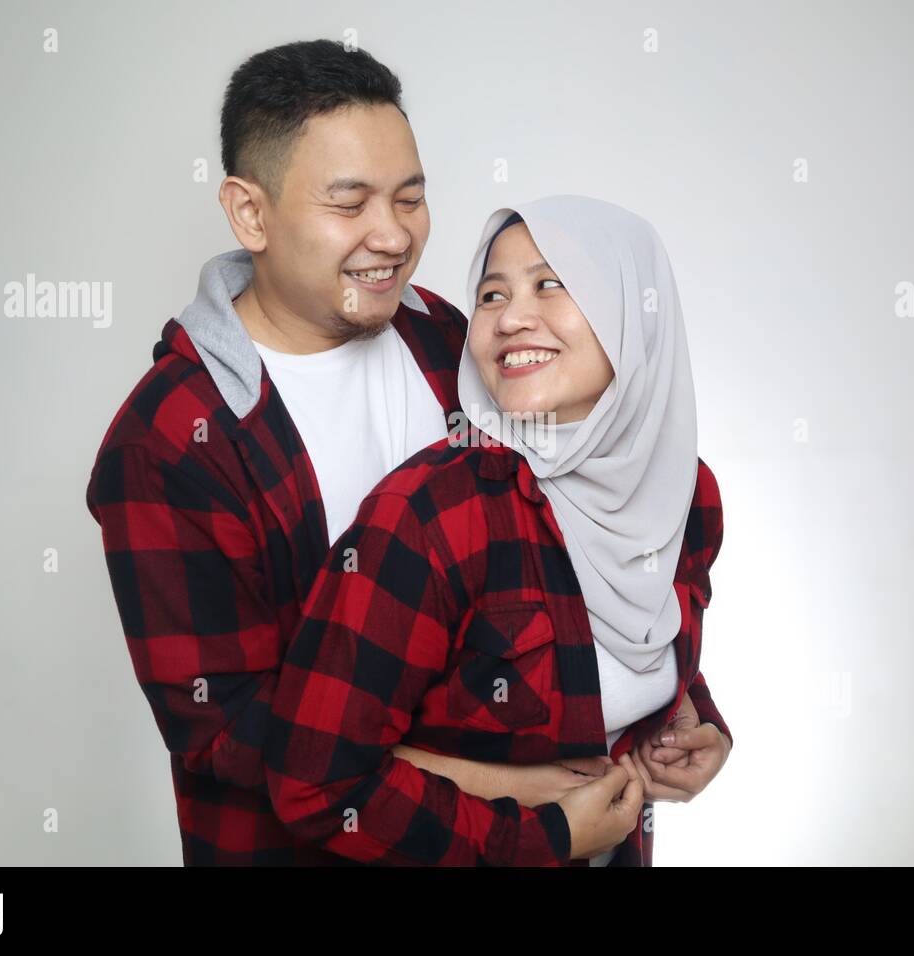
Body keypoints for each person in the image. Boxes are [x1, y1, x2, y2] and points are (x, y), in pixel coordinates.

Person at [84, 41, 608, 865]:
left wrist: (679, 701)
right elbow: (224, 726)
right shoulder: (170, 441)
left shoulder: (452, 339)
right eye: (350, 203)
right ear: (249, 213)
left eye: (410, 198)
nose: (393, 236)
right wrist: (488, 783)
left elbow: (576, 529)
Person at [262, 195, 733, 865]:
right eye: (491, 293)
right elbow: (316, 779)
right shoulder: (436, 515)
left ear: (636, 316)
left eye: (551, 284)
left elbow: (636, 632)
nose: (511, 317)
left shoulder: (686, 495)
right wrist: (546, 836)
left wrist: (695, 721)